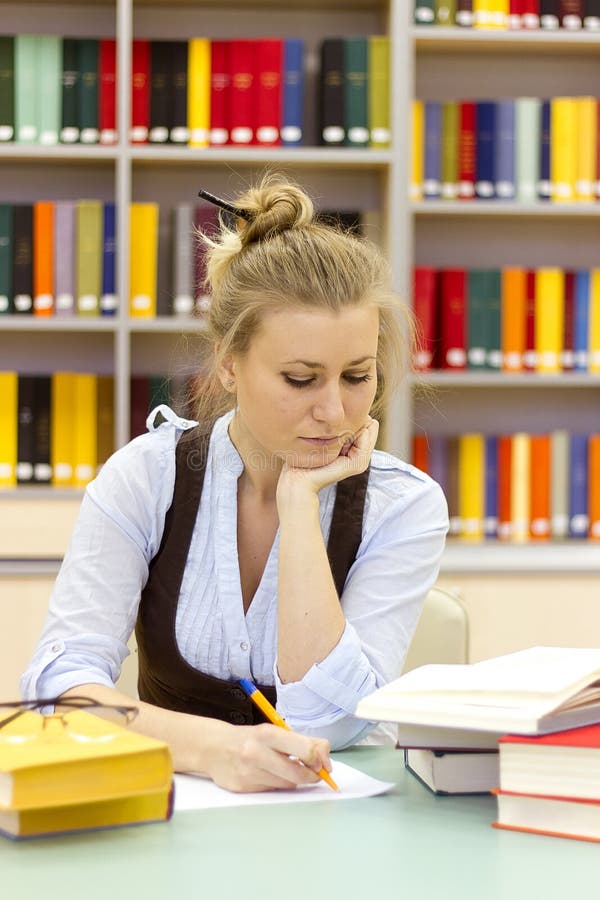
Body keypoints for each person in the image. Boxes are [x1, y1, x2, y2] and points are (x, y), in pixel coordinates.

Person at [21, 175, 448, 793]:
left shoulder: (403, 506)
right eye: (301, 379)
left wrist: (300, 503)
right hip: (171, 824)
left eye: (357, 376)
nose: (335, 411)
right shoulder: (147, 477)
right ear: (228, 363)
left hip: (340, 832)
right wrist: (216, 748)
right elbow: (59, 689)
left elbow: (334, 719)